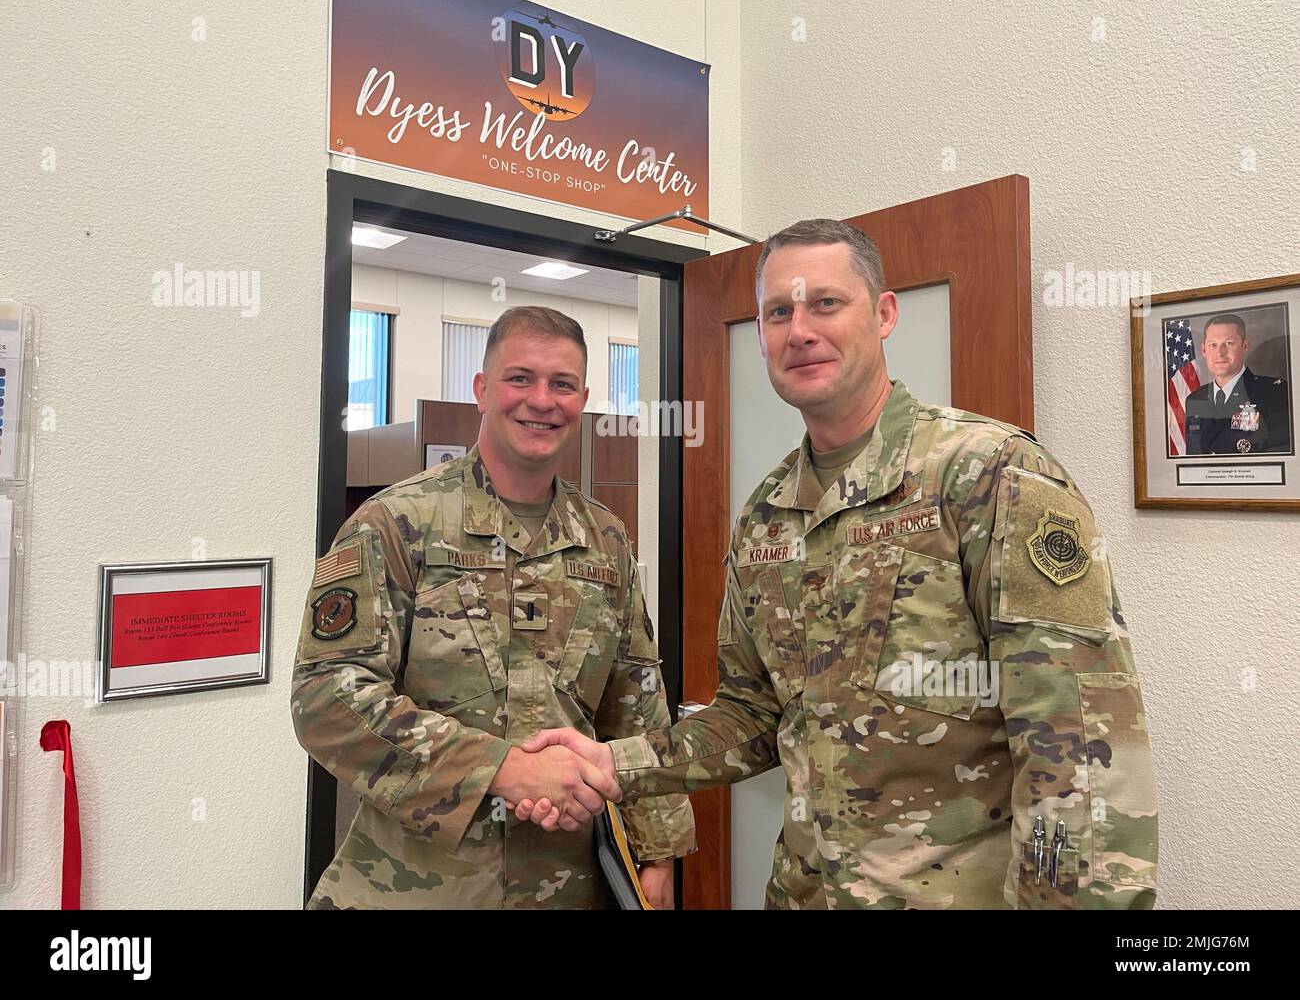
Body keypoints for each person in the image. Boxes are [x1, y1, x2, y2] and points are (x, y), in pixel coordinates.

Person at [516, 220, 1159, 910]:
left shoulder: (989, 476)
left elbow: (1078, 746)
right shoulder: (767, 513)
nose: (800, 331)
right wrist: (614, 762)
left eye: (826, 303)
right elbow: (753, 713)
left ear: (882, 314)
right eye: (778, 312)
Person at [292, 305, 694, 909]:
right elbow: (326, 697)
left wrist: (657, 852)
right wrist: (498, 767)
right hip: (422, 884)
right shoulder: (399, 524)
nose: (541, 399)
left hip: (572, 886)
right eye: (520, 378)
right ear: (482, 390)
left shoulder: (605, 539)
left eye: (562, 384)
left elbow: (636, 706)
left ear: (582, 398)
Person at [1185, 313, 1291, 454]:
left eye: (1229, 343)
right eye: (1213, 345)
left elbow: (1282, 457)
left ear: (1244, 345)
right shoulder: (1195, 399)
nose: (1220, 353)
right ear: (1203, 350)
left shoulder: (1273, 393)